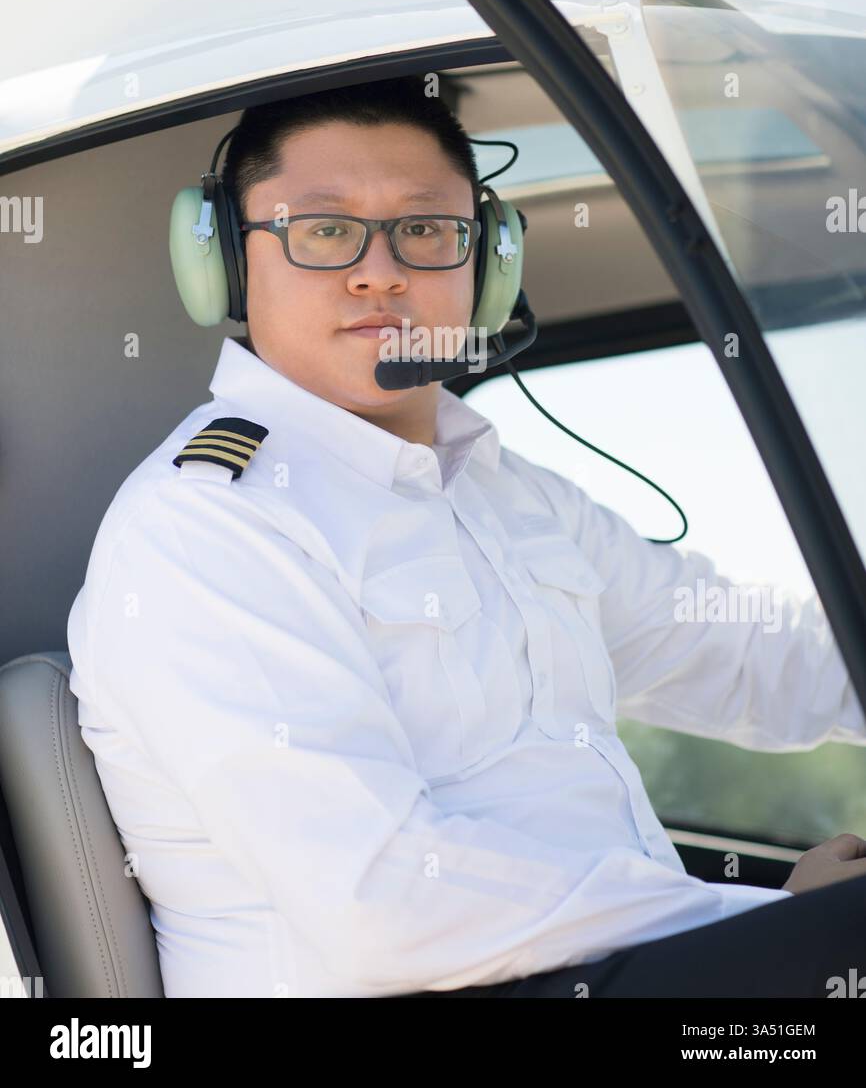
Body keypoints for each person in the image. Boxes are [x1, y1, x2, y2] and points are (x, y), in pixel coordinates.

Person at [67, 75, 866, 999]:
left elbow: (748, 655)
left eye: (425, 229)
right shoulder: (206, 529)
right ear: (227, 266)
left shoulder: (504, 494)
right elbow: (384, 906)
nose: (381, 271)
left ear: (487, 265)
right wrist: (779, 925)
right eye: (322, 230)